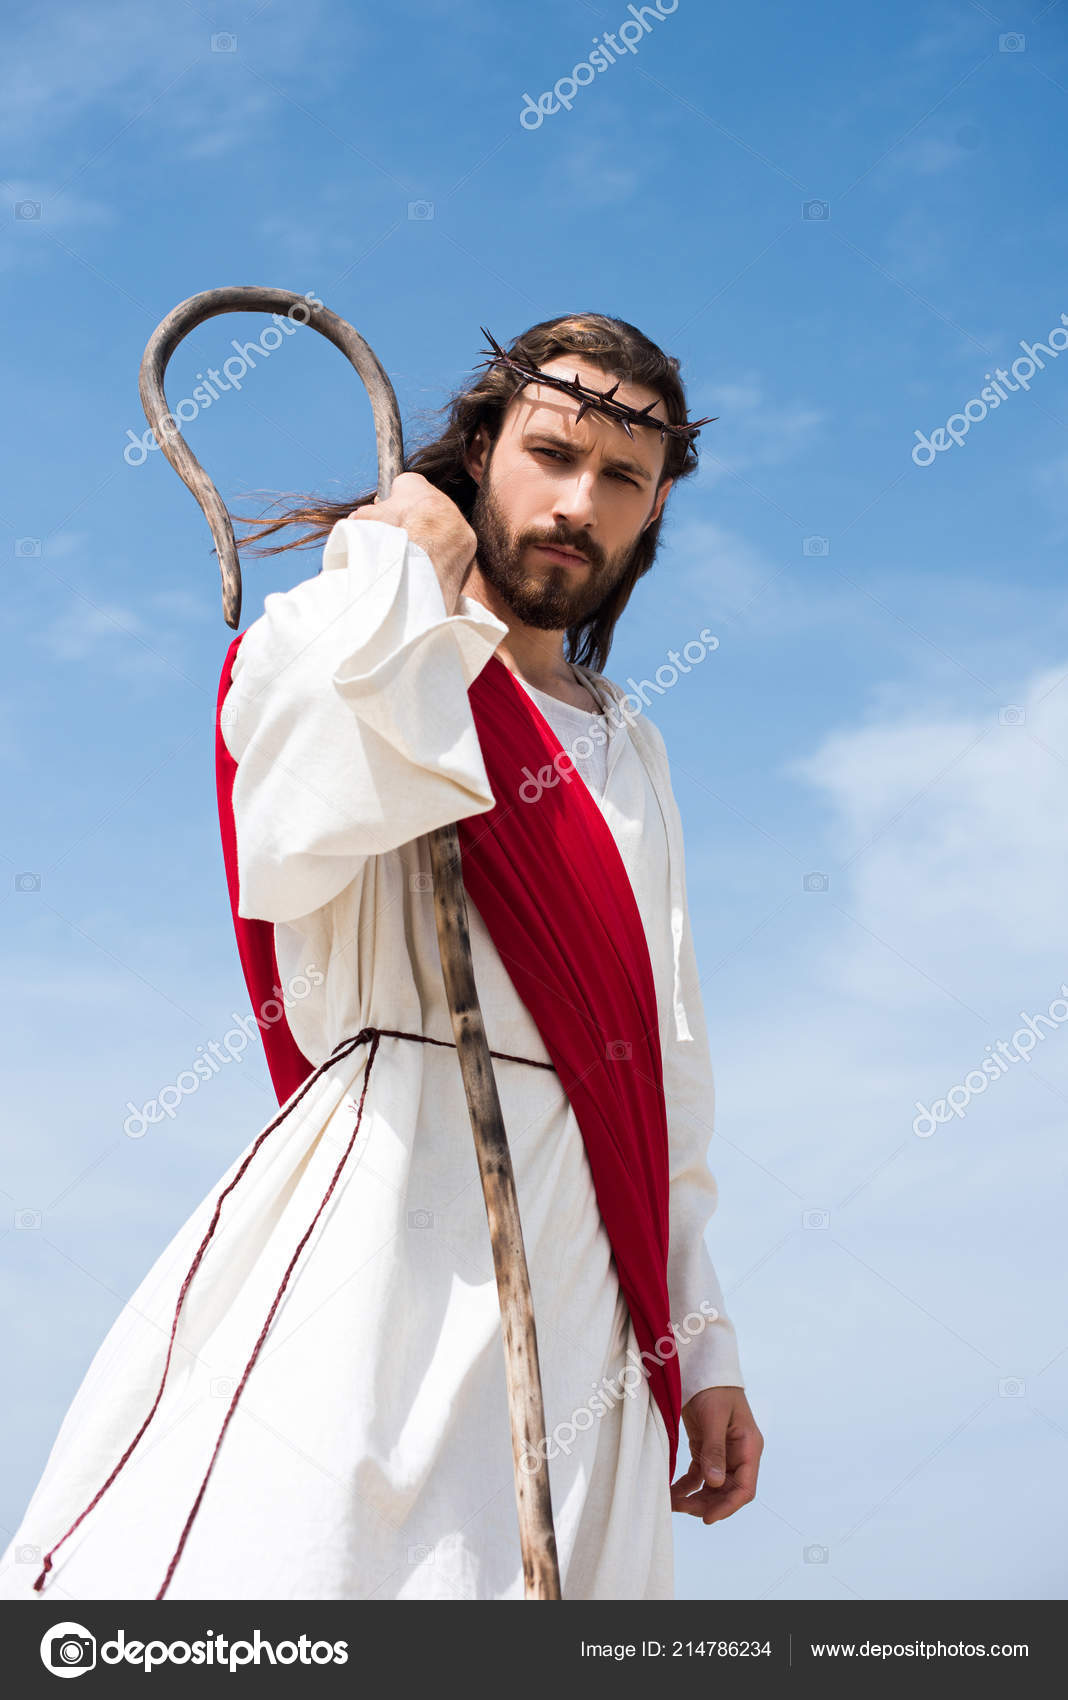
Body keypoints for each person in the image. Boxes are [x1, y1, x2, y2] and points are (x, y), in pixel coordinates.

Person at [0, 312, 763, 1602]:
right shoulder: (343, 630)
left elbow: (665, 1070)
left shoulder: (629, 742)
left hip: (596, 1251)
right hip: (386, 1207)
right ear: (478, 456)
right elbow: (302, 826)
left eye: (621, 479)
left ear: (652, 513)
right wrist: (400, 582)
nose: (578, 503)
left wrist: (706, 1339)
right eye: (552, 454)